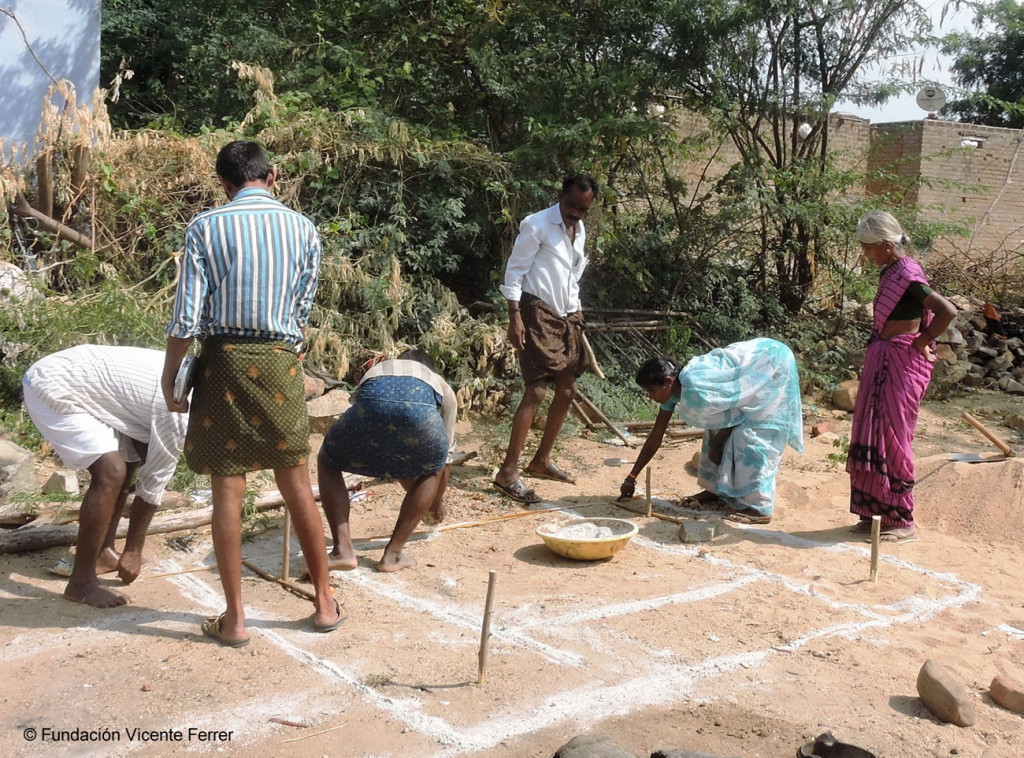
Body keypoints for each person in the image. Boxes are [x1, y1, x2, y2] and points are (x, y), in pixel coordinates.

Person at [162, 140, 343, 647]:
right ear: (273, 174)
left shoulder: (206, 226)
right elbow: (301, 307)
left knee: (228, 486)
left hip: (222, 361)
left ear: (224, 182)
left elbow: (186, 317)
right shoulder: (304, 229)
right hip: (281, 360)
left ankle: (236, 619)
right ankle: (325, 603)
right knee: (294, 479)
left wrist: (171, 375)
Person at [22, 345, 188, 608]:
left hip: (94, 389)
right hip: (54, 383)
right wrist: (134, 550)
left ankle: (103, 554)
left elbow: (147, 457)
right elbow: (153, 483)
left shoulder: (196, 383)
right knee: (111, 472)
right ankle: (81, 583)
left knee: (128, 462)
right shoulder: (180, 409)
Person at [847, 210, 957, 542]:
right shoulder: (890, 272)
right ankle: (872, 511)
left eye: (869, 248)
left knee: (893, 436)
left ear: (885, 245)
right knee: (870, 432)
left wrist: (923, 341)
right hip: (883, 358)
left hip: (901, 362)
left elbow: (947, 310)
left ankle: (900, 518)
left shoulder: (908, 275)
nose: (866, 255)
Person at [493, 172, 599, 504]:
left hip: (567, 316)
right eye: (571, 206)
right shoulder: (536, 225)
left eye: (582, 209)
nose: (575, 214)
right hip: (535, 313)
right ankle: (508, 473)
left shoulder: (579, 230)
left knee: (567, 389)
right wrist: (515, 318)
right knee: (537, 390)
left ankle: (541, 460)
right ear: (560, 195)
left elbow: (571, 276)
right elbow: (514, 271)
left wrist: (576, 313)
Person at [621, 338, 804, 525]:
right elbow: (655, 436)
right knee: (712, 431)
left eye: (652, 391)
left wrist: (717, 445)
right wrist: (632, 477)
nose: (651, 397)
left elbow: (737, 413)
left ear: (668, 381)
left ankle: (759, 507)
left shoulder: (697, 388)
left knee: (749, 437)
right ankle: (716, 491)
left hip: (770, 362)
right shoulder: (672, 391)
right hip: (754, 365)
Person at [315, 349, 456, 573]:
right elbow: (446, 456)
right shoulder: (439, 384)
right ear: (429, 368)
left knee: (328, 460)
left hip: (370, 410)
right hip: (419, 419)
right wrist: (435, 505)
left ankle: (342, 549)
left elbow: (365, 407)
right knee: (434, 467)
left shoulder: (379, 369)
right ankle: (393, 554)